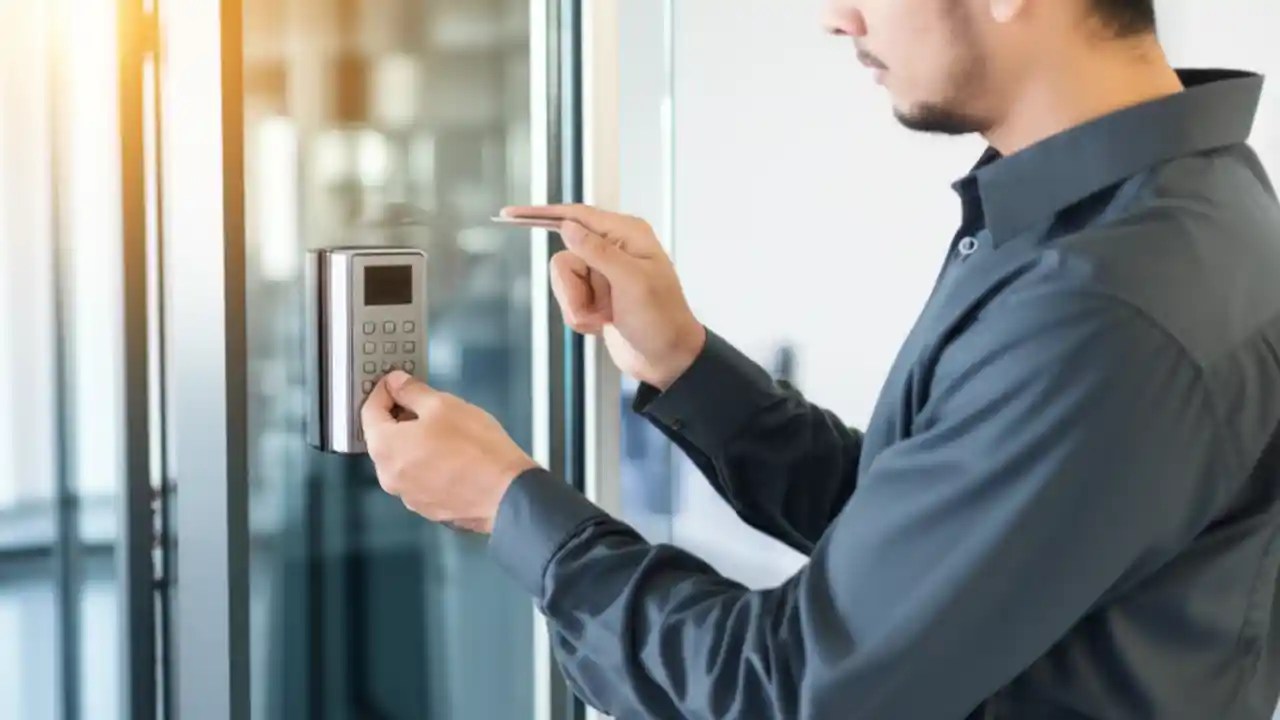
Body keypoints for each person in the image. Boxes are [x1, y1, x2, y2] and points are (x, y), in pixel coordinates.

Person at [360, 0, 1280, 717]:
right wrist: (681, 361)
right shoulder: (1166, 211)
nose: (837, 17)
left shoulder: (1103, 308)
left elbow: (791, 691)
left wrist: (509, 504)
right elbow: (931, 536)